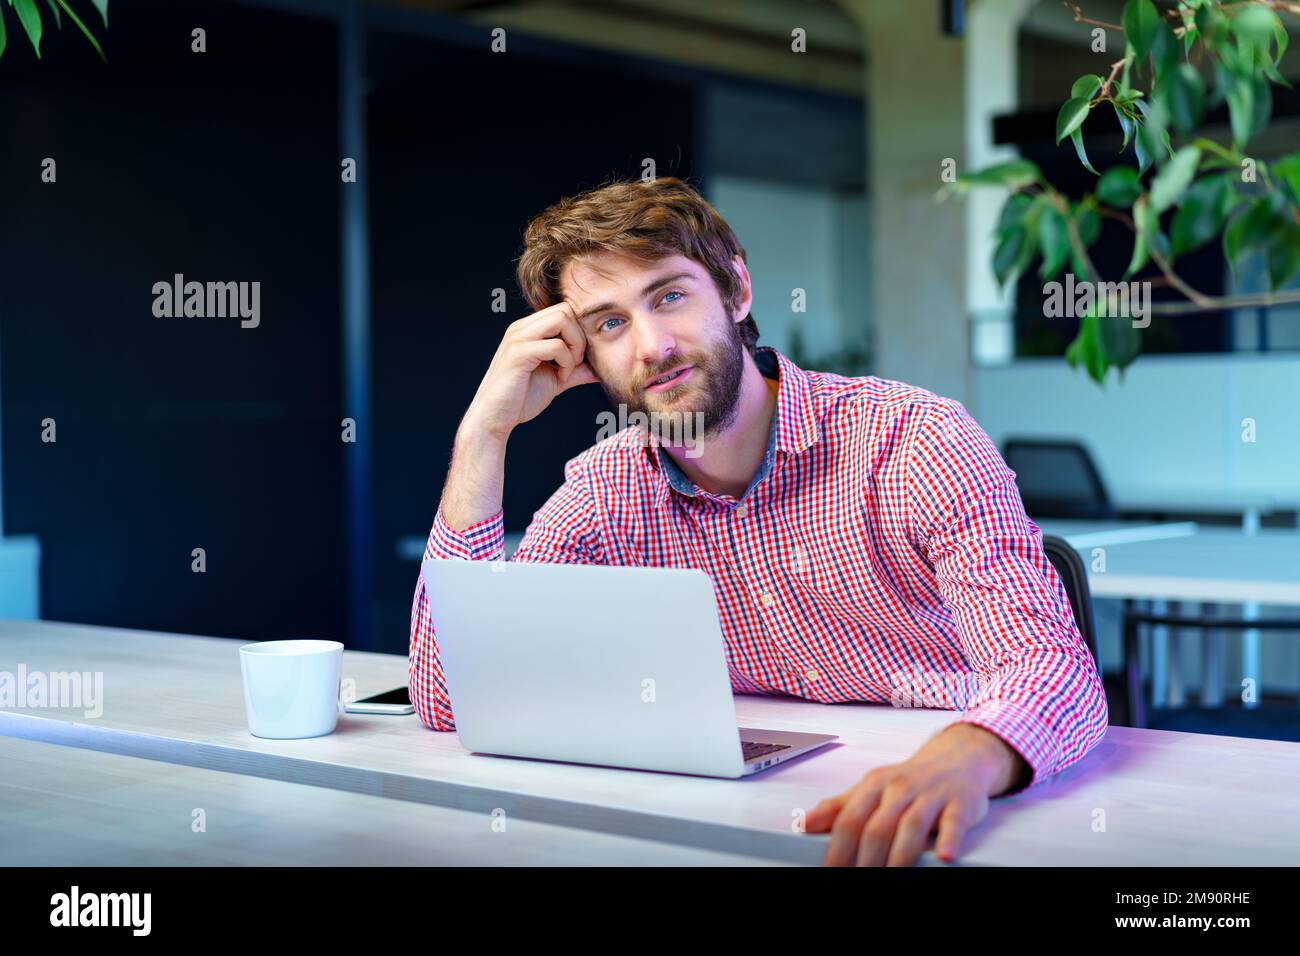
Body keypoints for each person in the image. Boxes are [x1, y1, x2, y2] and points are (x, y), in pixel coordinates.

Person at [409, 176, 1108, 867]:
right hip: (734, 821)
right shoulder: (604, 491)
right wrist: (484, 432)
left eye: (671, 296)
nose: (652, 346)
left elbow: (1051, 669)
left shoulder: (911, 441)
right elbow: (450, 697)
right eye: (610, 323)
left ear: (736, 291)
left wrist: (967, 759)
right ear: (582, 356)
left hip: (949, 811)